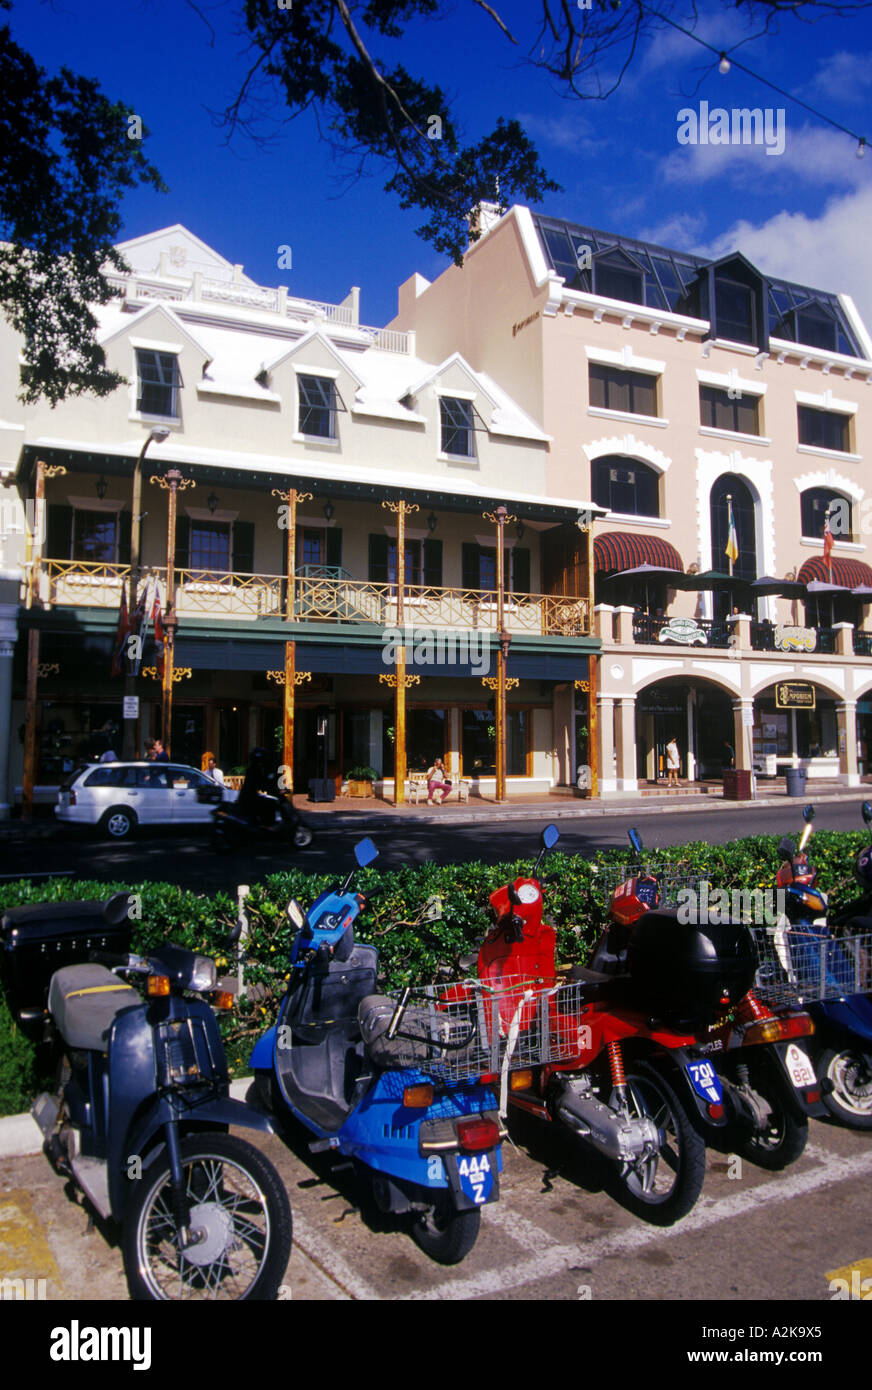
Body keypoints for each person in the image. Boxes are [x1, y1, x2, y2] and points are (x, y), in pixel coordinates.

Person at [237, 746, 274, 826]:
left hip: (250, 795)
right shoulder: (254, 769)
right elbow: (260, 783)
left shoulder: (256, 768)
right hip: (249, 798)